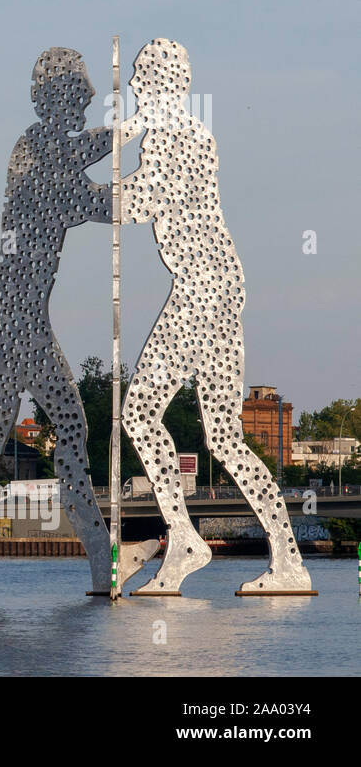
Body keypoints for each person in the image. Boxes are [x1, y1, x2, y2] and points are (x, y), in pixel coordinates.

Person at [0, 48, 154, 593]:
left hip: (16, 311)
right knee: (68, 429)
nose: (92, 96)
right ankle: (103, 559)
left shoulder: (40, 150)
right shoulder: (38, 155)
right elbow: (97, 200)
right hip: (19, 314)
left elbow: (87, 154)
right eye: (81, 88)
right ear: (55, 98)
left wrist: (132, 129)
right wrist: (148, 154)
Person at [119, 38, 310, 594]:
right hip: (217, 286)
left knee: (140, 414)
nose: (132, 86)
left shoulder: (174, 136)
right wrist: (124, 133)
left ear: (162, 83)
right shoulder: (190, 133)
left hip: (201, 289)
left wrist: (78, 200)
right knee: (223, 437)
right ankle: (284, 558)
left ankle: (184, 539)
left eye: (139, 77)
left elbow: (140, 201)